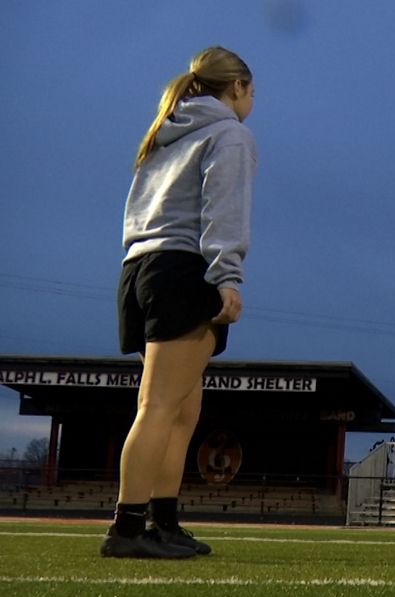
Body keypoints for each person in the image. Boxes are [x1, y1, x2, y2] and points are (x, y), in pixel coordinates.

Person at [100, 47, 257, 559]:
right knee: (160, 406)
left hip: (141, 269)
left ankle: (162, 521)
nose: (253, 101)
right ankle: (125, 529)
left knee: (184, 409)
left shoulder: (165, 131)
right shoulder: (228, 133)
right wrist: (227, 276)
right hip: (184, 270)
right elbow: (223, 211)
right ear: (236, 88)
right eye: (252, 91)